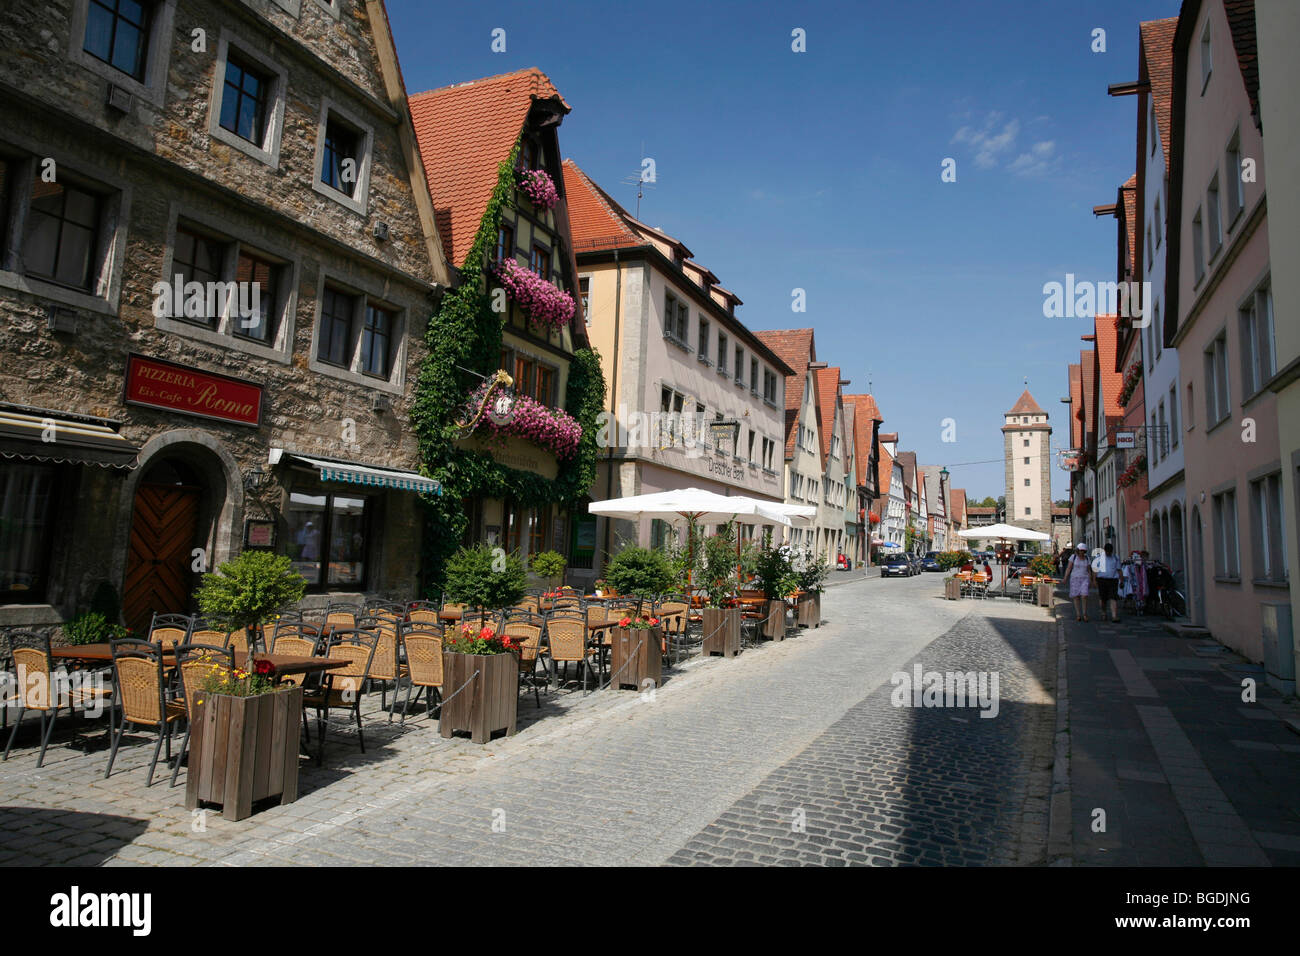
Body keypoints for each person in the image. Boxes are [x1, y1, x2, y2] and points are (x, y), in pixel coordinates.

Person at [1066, 542, 1097, 622]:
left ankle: (1085, 614)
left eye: (1083, 551)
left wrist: (1091, 579)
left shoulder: (1087, 558)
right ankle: (1078, 614)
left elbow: (1089, 570)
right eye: (1080, 551)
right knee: (1076, 597)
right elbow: (1069, 568)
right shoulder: (1073, 557)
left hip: (1084, 579)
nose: (1082, 552)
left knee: (1084, 596)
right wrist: (1065, 578)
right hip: (1075, 578)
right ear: (1078, 551)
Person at [1093, 543, 1121, 622]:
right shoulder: (1098, 558)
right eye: (1107, 551)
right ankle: (1103, 612)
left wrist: (1121, 580)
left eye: (1110, 552)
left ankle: (1114, 616)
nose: (1109, 553)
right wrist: (1094, 580)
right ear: (1105, 550)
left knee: (1113, 598)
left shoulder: (1115, 558)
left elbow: (1119, 569)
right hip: (1102, 580)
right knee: (1103, 599)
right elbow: (1095, 570)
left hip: (1113, 580)